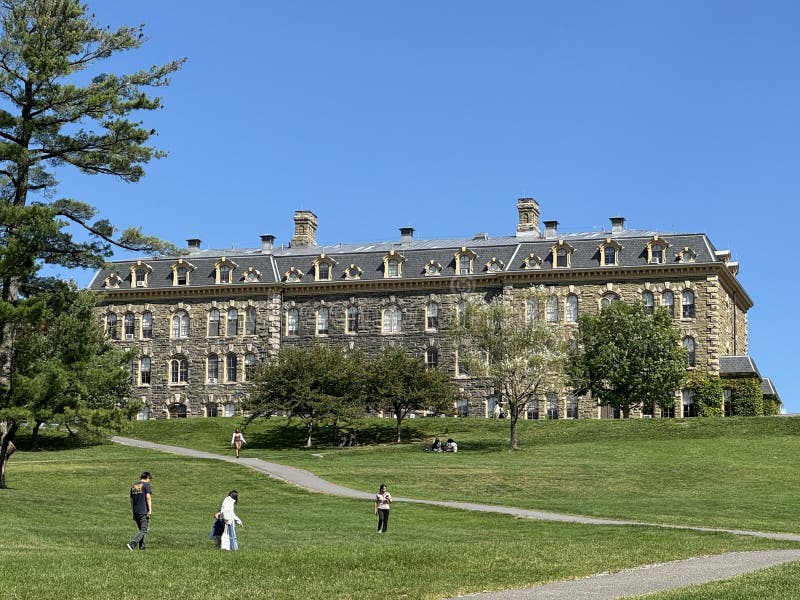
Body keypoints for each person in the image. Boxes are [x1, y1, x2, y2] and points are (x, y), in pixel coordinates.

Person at [126, 471, 152, 551]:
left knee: (141, 529)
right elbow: (148, 497)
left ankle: (142, 547)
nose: (150, 481)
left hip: (136, 511)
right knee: (144, 529)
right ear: (147, 477)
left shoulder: (134, 486)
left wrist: (133, 511)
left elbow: (131, 500)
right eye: (150, 479)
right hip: (143, 510)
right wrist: (150, 510)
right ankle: (132, 543)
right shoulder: (146, 485)